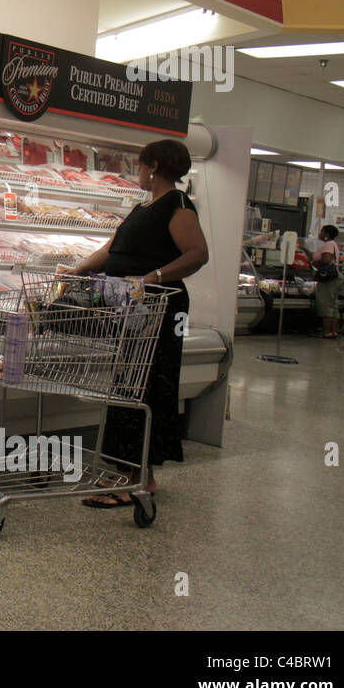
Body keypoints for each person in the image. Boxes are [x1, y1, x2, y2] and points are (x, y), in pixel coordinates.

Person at [68, 139, 209, 508]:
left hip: (160, 308)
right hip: (132, 309)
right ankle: (137, 474)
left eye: (141, 164)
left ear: (155, 164)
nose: (137, 171)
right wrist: (77, 269)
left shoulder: (177, 205)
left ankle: (133, 479)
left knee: (145, 387)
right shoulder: (141, 207)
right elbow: (112, 249)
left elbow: (198, 254)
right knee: (128, 385)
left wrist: (152, 277)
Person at [303, 225, 344, 337]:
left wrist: (316, 264)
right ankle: (333, 331)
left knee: (325, 304)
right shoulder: (332, 245)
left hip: (329, 278)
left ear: (326, 234)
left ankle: (326, 331)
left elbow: (326, 260)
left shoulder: (328, 245)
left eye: (322, 231)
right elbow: (314, 256)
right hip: (336, 276)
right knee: (333, 304)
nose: (320, 233)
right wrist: (305, 250)